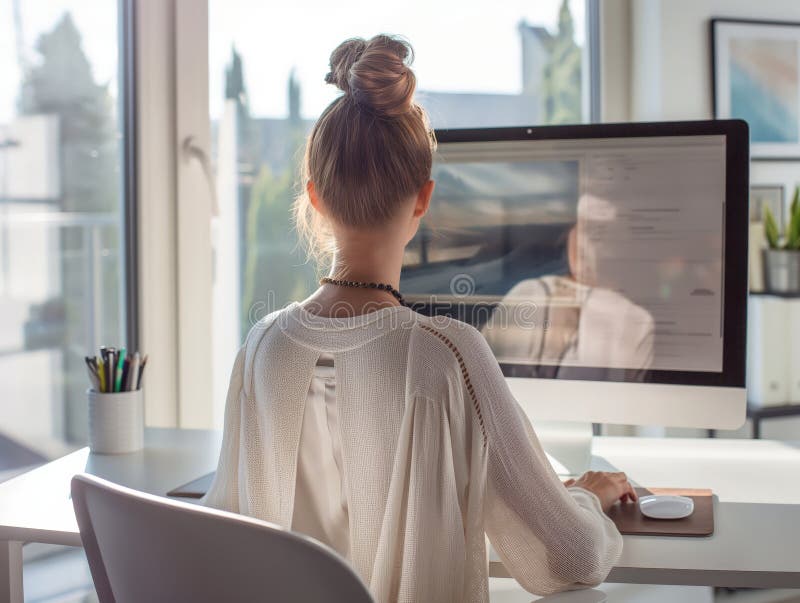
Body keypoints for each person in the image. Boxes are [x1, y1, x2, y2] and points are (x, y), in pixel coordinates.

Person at [203, 34, 636, 603]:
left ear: (314, 196)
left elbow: (222, 535)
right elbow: (572, 556)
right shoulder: (447, 352)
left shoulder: (261, 346)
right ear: (424, 198)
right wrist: (586, 498)